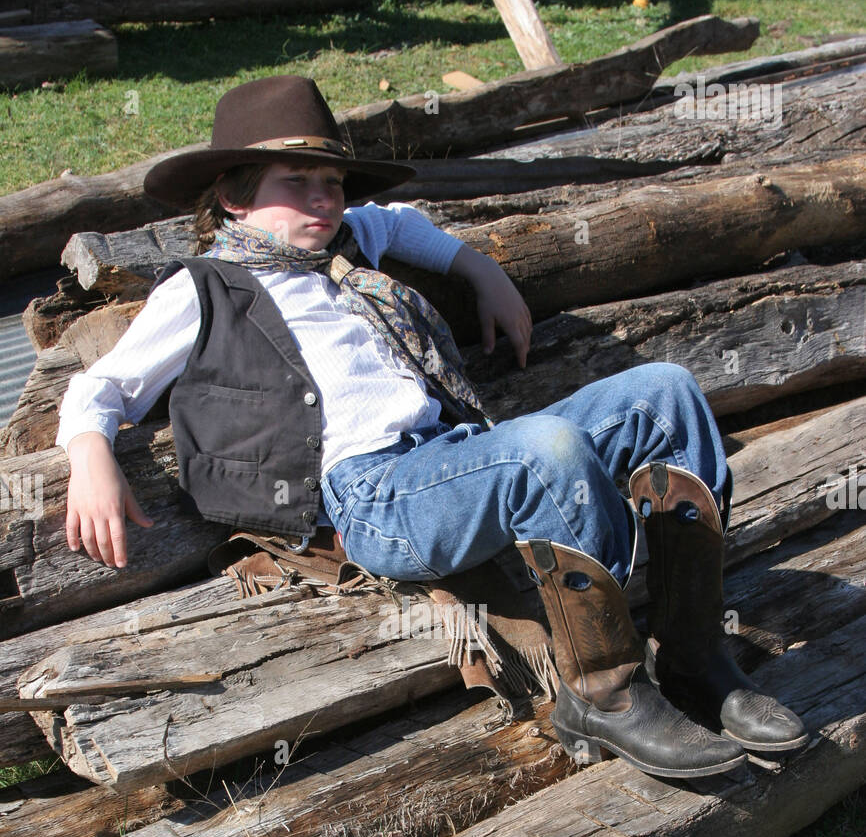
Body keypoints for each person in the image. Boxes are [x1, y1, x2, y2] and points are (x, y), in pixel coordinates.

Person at [56, 74, 807, 780]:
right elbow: (102, 386)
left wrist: (481, 268)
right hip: (374, 497)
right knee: (546, 449)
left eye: (333, 184)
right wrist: (91, 455)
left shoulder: (350, 248)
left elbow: (401, 222)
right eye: (298, 184)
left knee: (666, 393)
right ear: (233, 197)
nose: (324, 201)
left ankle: (693, 655)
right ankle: (602, 694)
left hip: (452, 459)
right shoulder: (205, 287)